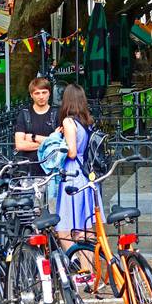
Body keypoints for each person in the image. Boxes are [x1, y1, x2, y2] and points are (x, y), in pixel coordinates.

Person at [55, 83, 101, 239]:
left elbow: (72, 152)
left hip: (72, 173)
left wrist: (57, 141)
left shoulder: (69, 122)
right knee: (84, 226)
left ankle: (73, 261)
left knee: (64, 229)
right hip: (86, 174)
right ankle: (88, 262)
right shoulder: (87, 122)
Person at [13, 77, 58, 177]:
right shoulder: (24, 114)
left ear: (49, 93)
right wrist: (49, 144)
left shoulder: (56, 114)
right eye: (37, 93)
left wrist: (34, 138)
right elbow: (20, 145)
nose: (41, 96)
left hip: (52, 171)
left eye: (44, 92)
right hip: (28, 170)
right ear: (31, 95)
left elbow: (59, 145)